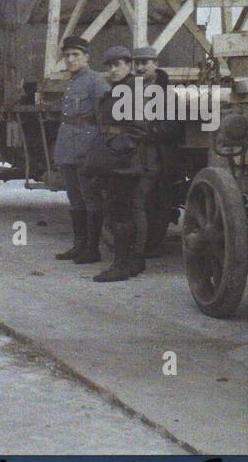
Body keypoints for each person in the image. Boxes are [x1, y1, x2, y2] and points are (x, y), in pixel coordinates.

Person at [90, 45, 143, 283]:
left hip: (123, 161)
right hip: (118, 159)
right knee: (122, 211)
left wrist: (115, 150)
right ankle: (131, 262)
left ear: (129, 65)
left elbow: (138, 129)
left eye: (117, 65)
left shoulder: (133, 91)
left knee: (119, 212)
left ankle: (121, 265)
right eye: (109, 66)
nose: (113, 70)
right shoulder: (120, 89)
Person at [53, 35, 108, 264]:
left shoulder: (96, 82)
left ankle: (92, 250)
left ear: (87, 57)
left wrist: (97, 149)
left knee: (90, 199)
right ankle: (79, 245)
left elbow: (103, 119)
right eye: (67, 56)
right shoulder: (72, 81)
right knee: (75, 200)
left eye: (76, 55)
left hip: (87, 148)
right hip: (68, 147)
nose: (71, 59)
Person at [131, 44, 176, 263]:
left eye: (144, 63)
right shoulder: (132, 88)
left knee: (156, 200)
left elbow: (170, 127)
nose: (140, 67)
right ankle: (143, 244)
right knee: (141, 200)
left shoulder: (166, 92)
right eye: (136, 63)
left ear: (155, 64)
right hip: (137, 152)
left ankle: (151, 245)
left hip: (157, 153)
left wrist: (147, 133)